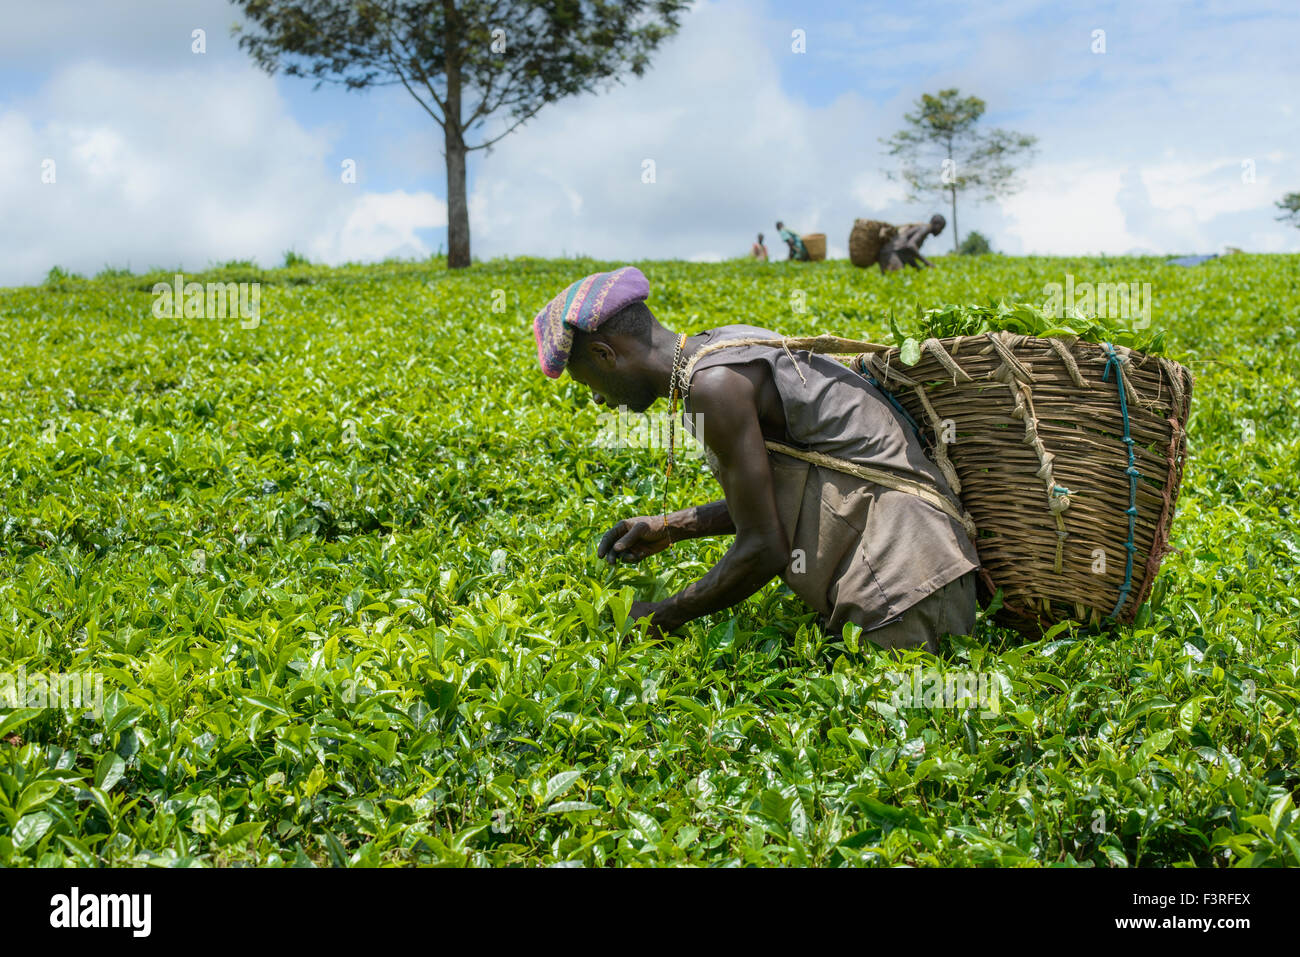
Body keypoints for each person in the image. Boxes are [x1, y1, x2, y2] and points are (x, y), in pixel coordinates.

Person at [531, 265, 981, 654]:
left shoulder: (713, 387)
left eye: (586, 381)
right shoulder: (722, 352)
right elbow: (781, 496)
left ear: (604, 354)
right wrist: (670, 527)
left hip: (909, 595)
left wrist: (659, 617)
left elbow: (765, 547)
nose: (597, 399)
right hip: (913, 585)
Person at [879, 214, 946, 274]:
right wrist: (926, 262)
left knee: (899, 279)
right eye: (941, 228)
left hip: (889, 254)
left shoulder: (923, 229)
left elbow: (908, 254)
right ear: (937, 224)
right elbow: (910, 245)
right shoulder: (925, 228)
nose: (941, 231)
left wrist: (917, 268)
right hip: (891, 254)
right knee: (897, 278)